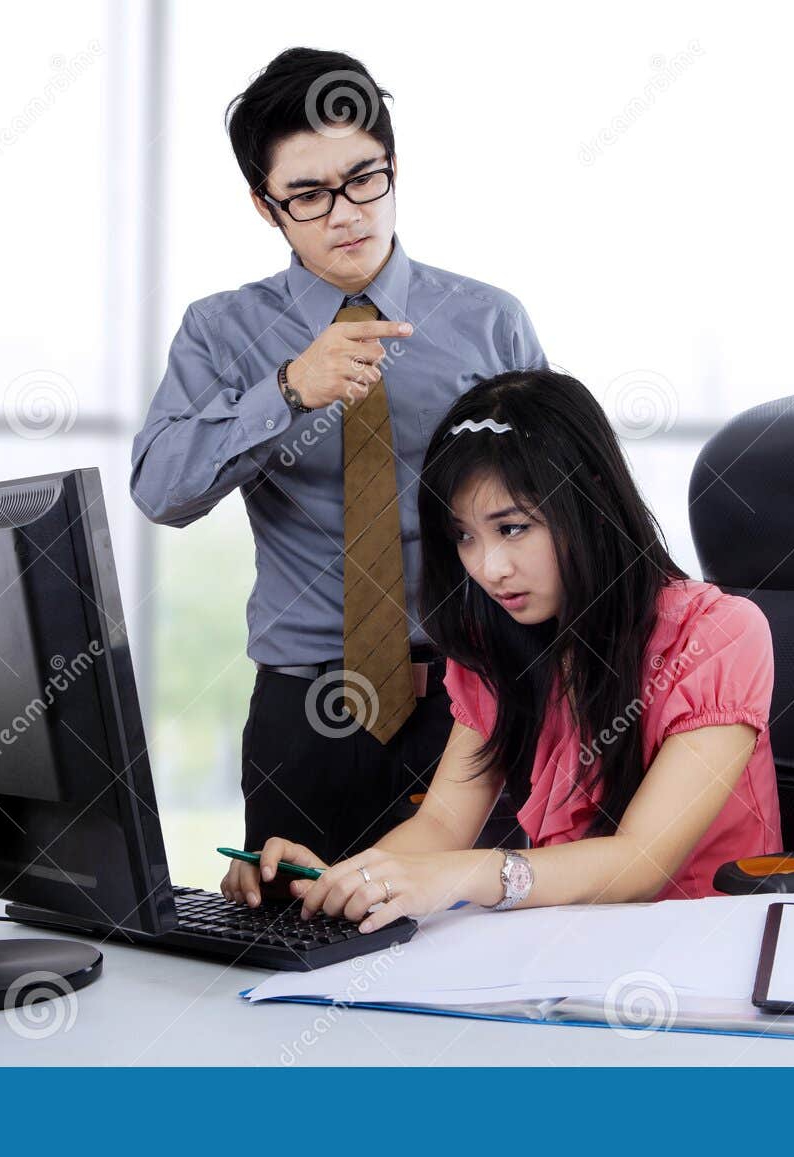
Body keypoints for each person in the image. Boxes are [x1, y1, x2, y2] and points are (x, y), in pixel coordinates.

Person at [130, 48, 546, 865]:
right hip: (306, 713)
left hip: (477, 697)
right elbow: (160, 488)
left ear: (395, 168)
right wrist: (287, 387)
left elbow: (564, 508)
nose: (346, 212)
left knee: (475, 949)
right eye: (309, 195)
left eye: (365, 178)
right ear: (265, 207)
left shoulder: (489, 321)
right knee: (288, 945)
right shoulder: (221, 331)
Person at [222, 370, 783, 931]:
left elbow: (639, 862)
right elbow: (442, 824)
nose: (489, 568)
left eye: (512, 528)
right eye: (464, 535)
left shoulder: (718, 635)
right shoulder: (498, 641)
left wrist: (463, 877)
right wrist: (342, 881)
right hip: (561, 949)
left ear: (590, 500)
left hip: (700, 953)